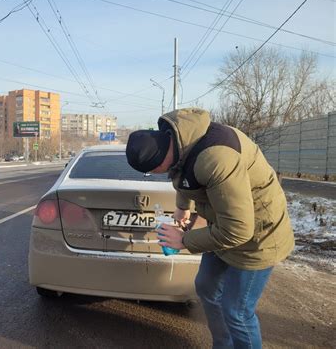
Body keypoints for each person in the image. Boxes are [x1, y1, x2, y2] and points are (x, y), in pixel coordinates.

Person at [126, 108, 294, 349]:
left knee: (237, 311)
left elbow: (238, 229)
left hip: (258, 236)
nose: (152, 175)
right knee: (206, 287)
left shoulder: (216, 158)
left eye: (152, 171)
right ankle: (223, 345)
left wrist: (184, 240)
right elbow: (181, 175)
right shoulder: (177, 140)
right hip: (223, 225)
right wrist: (183, 207)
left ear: (160, 158)